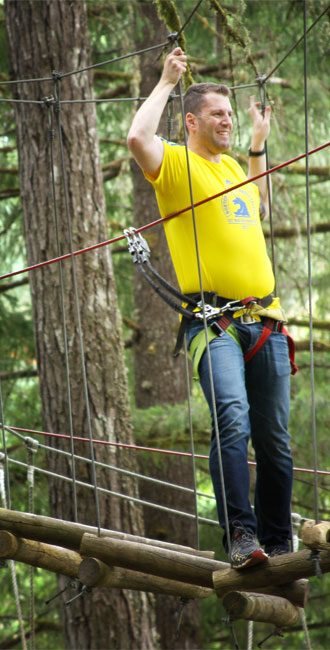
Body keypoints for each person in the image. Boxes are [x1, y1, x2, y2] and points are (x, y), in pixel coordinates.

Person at [127, 47, 295, 569]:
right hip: (213, 323)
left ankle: (280, 542)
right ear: (193, 121)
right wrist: (165, 82)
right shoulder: (176, 166)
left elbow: (260, 205)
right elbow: (137, 139)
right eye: (218, 114)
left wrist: (257, 146)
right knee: (232, 420)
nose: (227, 119)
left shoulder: (232, 172)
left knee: (275, 441)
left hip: (265, 321)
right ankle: (242, 537)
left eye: (230, 112)